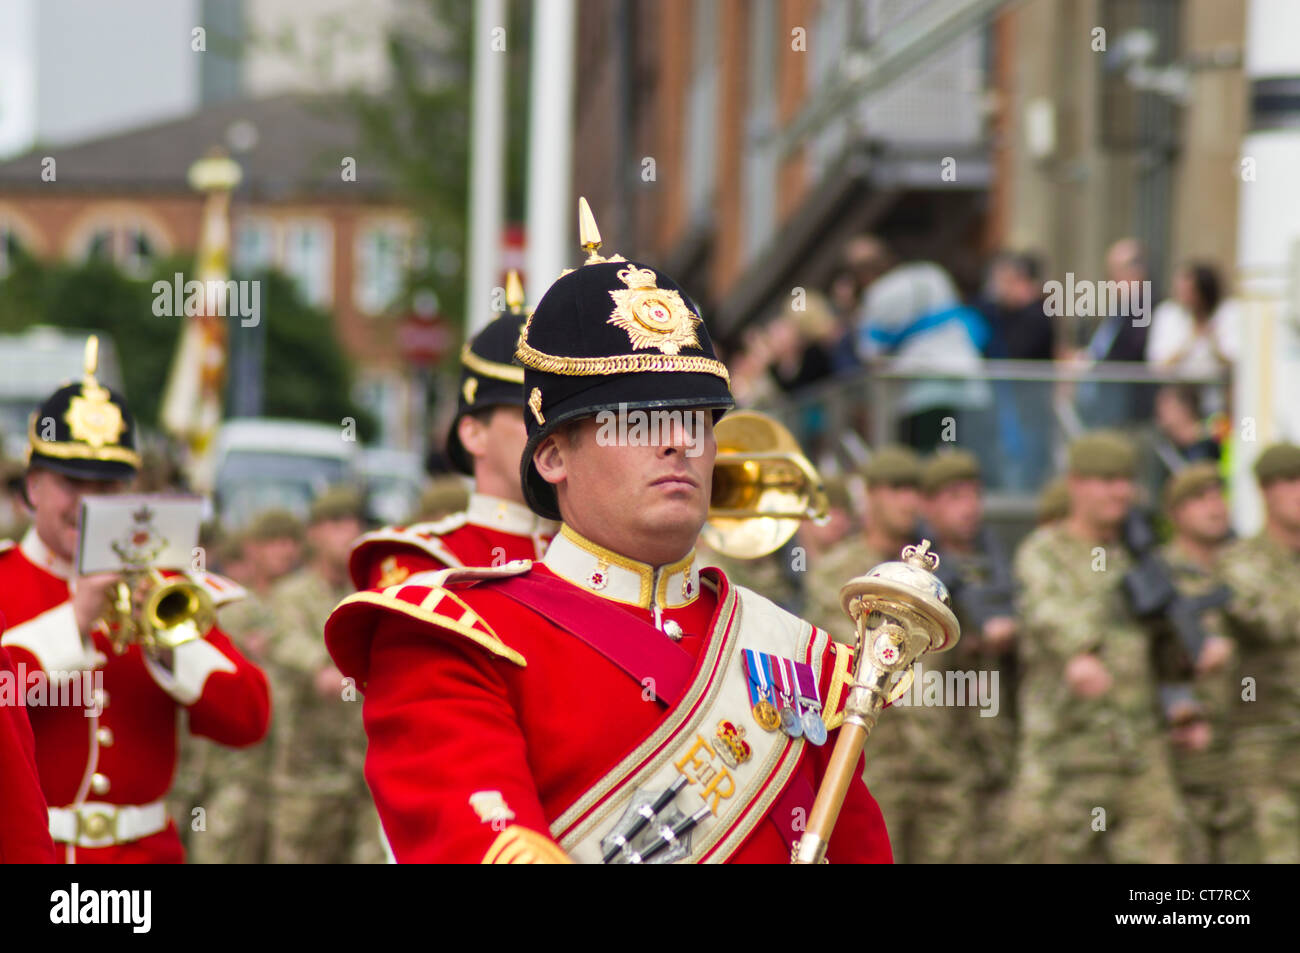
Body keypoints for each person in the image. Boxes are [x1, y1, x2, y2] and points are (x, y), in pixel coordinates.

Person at [325, 210, 892, 863]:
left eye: (696, 421)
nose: (678, 440)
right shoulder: (453, 635)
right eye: (639, 419)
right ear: (553, 457)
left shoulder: (798, 656)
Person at [0, 338, 269, 863]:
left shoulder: (160, 587)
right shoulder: (6, 579)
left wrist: (169, 646)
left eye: (108, 487)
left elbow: (249, 719)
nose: (89, 504)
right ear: (33, 488)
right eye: (71, 483)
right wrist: (75, 620)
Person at [1009, 431, 1187, 863]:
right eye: (1106, 480)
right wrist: (1079, 652)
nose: (1120, 491)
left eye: (1126, 480)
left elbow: (1166, 646)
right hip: (1064, 754)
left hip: (1137, 752)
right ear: (1075, 484)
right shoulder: (1045, 552)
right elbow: (1047, 610)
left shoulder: (1141, 559)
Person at [805, 445, 972, 863]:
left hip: (936, 757)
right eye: (896, 489)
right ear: (870, 495)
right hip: (872, 758)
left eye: (914, 491)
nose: (907, 501)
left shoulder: (941, 576)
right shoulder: (844, 571)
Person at [348, 272, 555, 590]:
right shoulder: (421, 560)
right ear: (473, 434)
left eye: (557, 417)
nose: (548, 430)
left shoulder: (593, 557)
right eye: (528, 414)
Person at [266, 487, 387, 863]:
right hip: (307, 778)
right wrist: (326, 668)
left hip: (363, 776)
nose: (348, 531)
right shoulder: (291, 595)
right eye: (335, 523)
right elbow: (289, 646)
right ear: (314, 533)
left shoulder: (371, 594)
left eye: (353, 522)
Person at [184, 508, 301, 864]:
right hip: (232, 766)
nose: (283, 552)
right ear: (252, 549)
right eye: (273, 543)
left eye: (289, 543)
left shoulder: (292, 600)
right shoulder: (230, 604)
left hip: (286, 768)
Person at [918, 450, 1018, 862]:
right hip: (936, 750)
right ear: (929, 505)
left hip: (995, 747)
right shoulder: (916, 570)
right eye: (955, 496)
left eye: (975, 495)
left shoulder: (998, 563)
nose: (970, 507)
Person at [1158, 464, 1250, 863]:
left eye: (1218, 494)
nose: (1214, 506)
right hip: (1184, 749)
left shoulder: (1249, 567)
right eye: (1199, 498)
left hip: (1250, 750)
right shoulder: (1158, 575)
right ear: (1176, 513)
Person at [1215, 442, 1300, 863]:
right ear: (1266, 491)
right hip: (1268, 748)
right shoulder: (1239, 562)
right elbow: (1270, 620)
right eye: (1289, 483)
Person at [852, 237, 991, 453]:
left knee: (922, 452)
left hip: (918, 384)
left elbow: (869, 351)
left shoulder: (878, 293)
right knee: (954, 446)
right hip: (963, 375)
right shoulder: (934, 274)